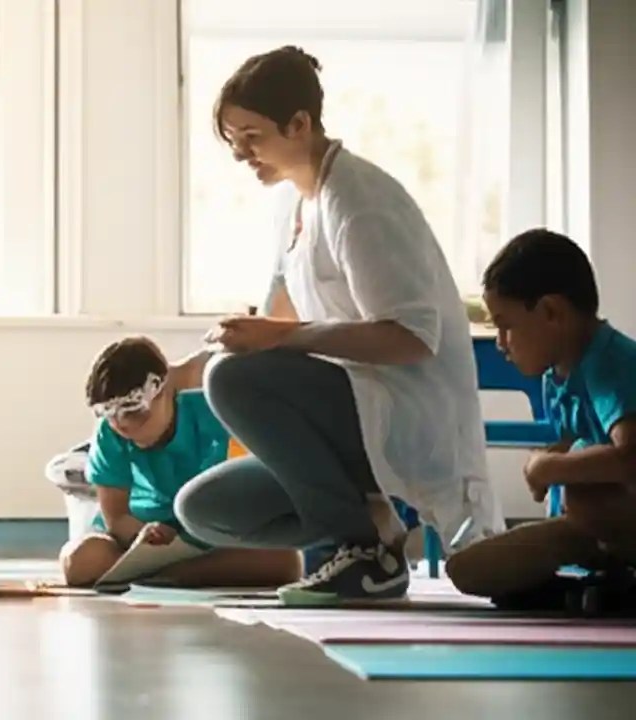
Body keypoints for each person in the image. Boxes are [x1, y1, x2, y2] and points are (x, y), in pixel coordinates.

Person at [169, 46, 503, 605]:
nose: (240, 155)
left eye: (251, 137)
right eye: (233, 141)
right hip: (350, 419)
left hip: (402, 416)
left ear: (299, 124)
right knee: (205, 509)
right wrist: (182, 369)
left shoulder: (359, 200)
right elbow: (276, 323)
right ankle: (372, 528)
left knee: (231, 379)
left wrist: (275, 341)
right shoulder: (293, 205)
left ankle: (364, 550)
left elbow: (410, 338)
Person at [446, 229, 636, 599]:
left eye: (505, 326)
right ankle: (600, 585)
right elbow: (574, 440)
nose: (500, 343)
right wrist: (555, 456)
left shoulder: (611, 363)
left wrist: (545, 468)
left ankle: (609, 579)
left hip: (610, 514)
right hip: (595, 529)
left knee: (584, 496)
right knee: (470, 570)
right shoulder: (557, 375)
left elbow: (630, 458)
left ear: (551, 312)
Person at [60, 336, 302, 588]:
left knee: (284, 562)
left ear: (164, 391)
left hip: (206, 532)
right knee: (80, 562)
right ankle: (169, 574)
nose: (123, 424)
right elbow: (117, 516)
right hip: (138, 532)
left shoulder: (210, 414)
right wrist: (141, 534)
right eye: (109, 415)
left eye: (134, 411)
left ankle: (168, 574)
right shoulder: (110, 434)